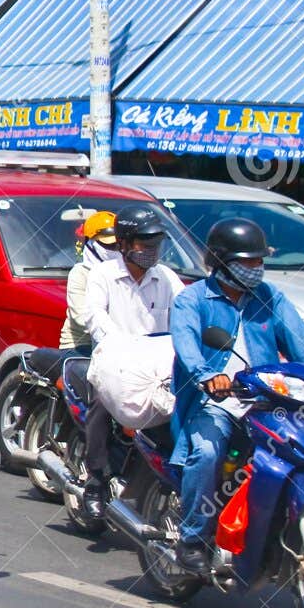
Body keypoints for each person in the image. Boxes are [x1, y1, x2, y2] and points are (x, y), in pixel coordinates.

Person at [170, 218, 304, 573]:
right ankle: (192, 539)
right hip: (217, 401)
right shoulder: (192, 300)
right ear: (221, 264)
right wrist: (210, 377)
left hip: (270, 402)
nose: (256, 269)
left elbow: (303, 345)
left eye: (259, 261)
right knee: (207, 453)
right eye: (247, 263)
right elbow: (187, 348)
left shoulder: (269, 297)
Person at [77, 203, 184, 518]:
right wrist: (120, 345)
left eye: (156, 244)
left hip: (159, 367)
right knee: (100, 407)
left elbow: (187, 310)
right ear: (122, 244)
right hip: (115, 362)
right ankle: (95, 482)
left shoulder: (165, 277)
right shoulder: (104, 275)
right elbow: (93, 316)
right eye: (143, 243)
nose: (151, 250)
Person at [60, 210, 117, 350]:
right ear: (89, 244)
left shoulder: (126, 272)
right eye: (107, 245)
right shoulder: (80, 273)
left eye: (117, 245)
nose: (114, 250)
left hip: (120, 344)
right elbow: (82, 318)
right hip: (81, 346)